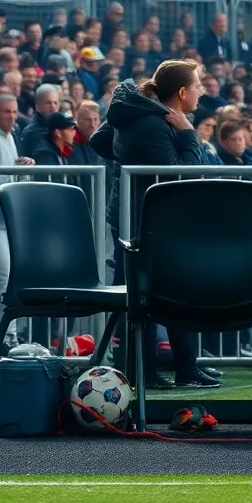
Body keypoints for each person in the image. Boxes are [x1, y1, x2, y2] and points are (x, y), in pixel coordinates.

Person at [90, 60, 220, 388]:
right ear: (181, 92)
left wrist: (127, 157)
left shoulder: (143, 115)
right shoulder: (154, 123)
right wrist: (189, 135)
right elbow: (180, 171)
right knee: (143, 296)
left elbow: (100, 140)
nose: (201, 91)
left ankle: (182, 367)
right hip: (146, 222)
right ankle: (144, 371)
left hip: (141, 219)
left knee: (165, 291)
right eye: (197, 86)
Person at [0, 93, 32, 352]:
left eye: (14, 111)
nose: (11, 116)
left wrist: (25, 168)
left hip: (7, 218)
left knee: (6, 276)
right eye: (6, 112)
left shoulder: (12, 137)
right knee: (5, 275)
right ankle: (7, 334)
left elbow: (12, 176)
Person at [18, 82, 61, 157]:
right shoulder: (32, 132)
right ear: (38, 106)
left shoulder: (61, 128)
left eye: (55, 103)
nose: (53, 107)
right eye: (48, 103)